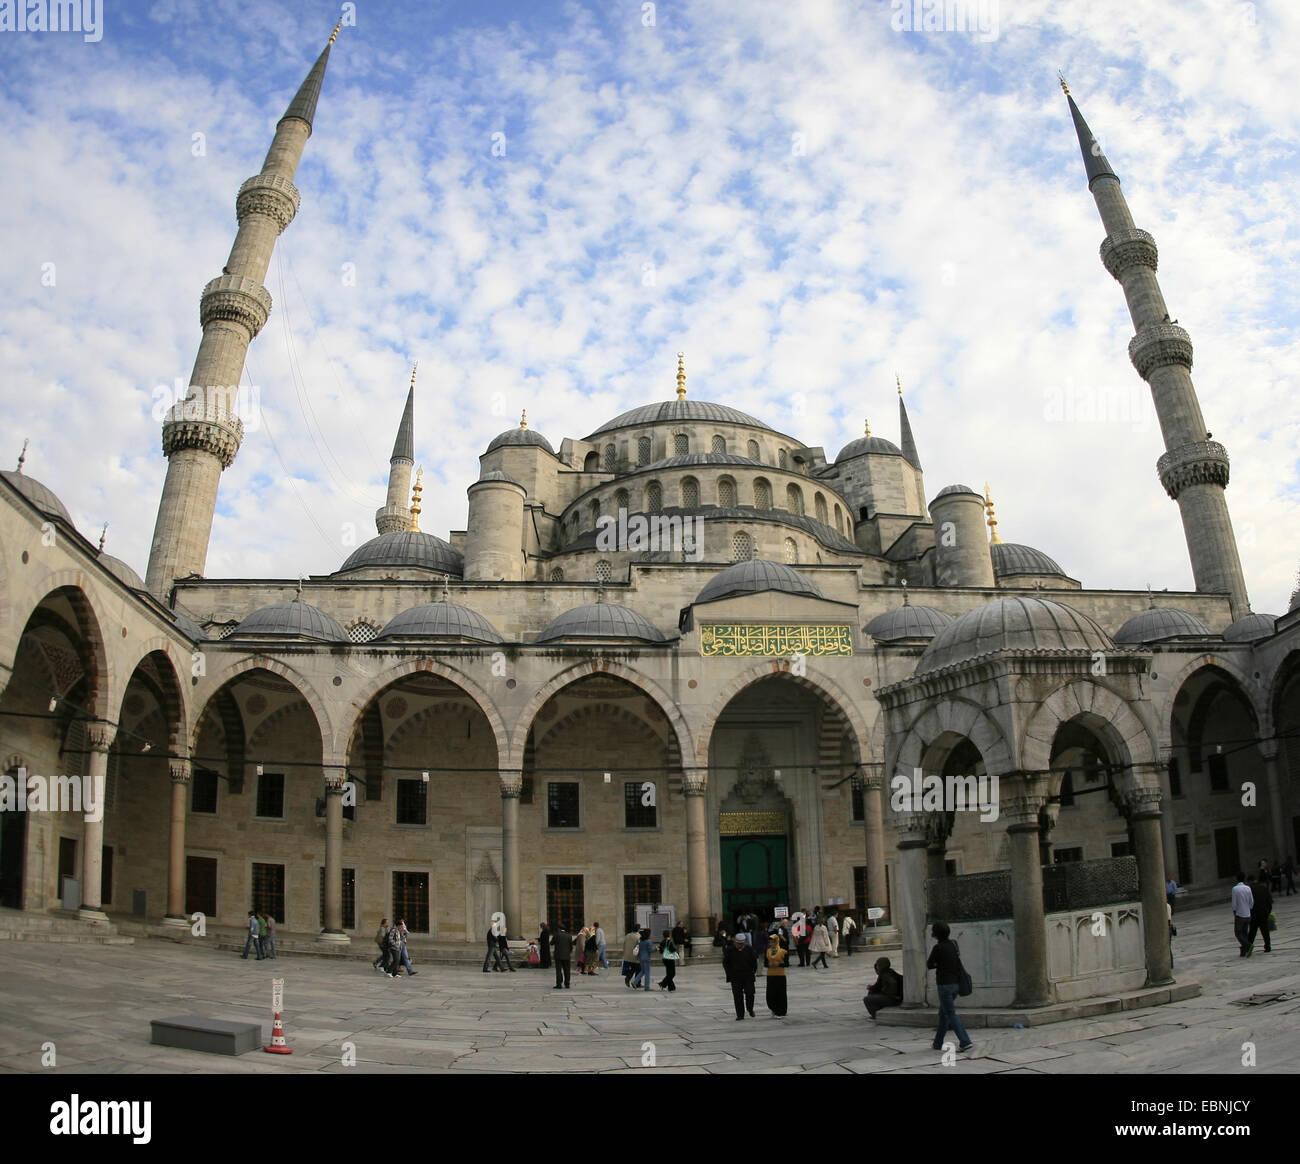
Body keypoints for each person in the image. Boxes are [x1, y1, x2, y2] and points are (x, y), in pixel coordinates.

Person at [926, 922, 972, 1053]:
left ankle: (965, 1041)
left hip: (944, 985)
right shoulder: (954, 944)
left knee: (950, 1013)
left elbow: (929, 964)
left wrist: (938, 964)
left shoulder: (937, 948)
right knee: (944, 1013)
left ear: (935, 934)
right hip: (956, 984)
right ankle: (937, 1042)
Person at [723, 934, 758, 1020]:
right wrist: (729, 974)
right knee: (737, 996)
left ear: (744, 942)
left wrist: (753, 971)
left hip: (748, 975)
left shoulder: (749, 949)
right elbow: (725, 963)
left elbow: (754, 962)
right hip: (735, 976)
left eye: (741, 943)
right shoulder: (730, 950)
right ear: (735, 942)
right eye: (738, 943)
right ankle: (740, 1015)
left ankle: (750, 1009)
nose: (740, 945)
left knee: (750, 993)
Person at [1248, 873, 1273, 954]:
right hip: (1263, 912)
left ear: (1249, 881)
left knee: (1252, 931)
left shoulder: (1249, 889)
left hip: (1253, 913)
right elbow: (1269, 901)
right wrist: (1268, 912)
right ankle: (1268, 946)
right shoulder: (1263, 887)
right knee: (1265, 931)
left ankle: (1249, 947)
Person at [764, 932, 788, 1017]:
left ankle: (781, 1012)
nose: (771, 943)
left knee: (780, 994)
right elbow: (765, 963)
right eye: (770, 942)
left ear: (776, 941)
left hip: (780, 975)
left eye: (772, 941)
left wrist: (779, 964)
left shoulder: (782, 951)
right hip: (770, 975)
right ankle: (773, 1008)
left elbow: (787, 964)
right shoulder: (768, 951)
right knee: (770, 994)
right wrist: (769, 965)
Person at [1231, 871, 1255, 957]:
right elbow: (1251, 902)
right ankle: (1244, 950)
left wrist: (1234, 912)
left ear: (1236, 879)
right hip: (1248, 914)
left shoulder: (1235, 889)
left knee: (1238, 933)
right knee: (1244, 933)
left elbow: (1234, 904)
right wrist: (1249, 909)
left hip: (1240, 914)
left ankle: (1248, 946)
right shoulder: (1248, 888)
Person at [552, 923, 573, 988]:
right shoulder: (569, 936)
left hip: (558, 955)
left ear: (558, 929)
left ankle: (559, 984)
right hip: (566, 955)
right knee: (567, 970)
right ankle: (567, 984)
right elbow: (571, 947)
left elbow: (551, 943)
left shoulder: (556, 935)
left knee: (558, 970)